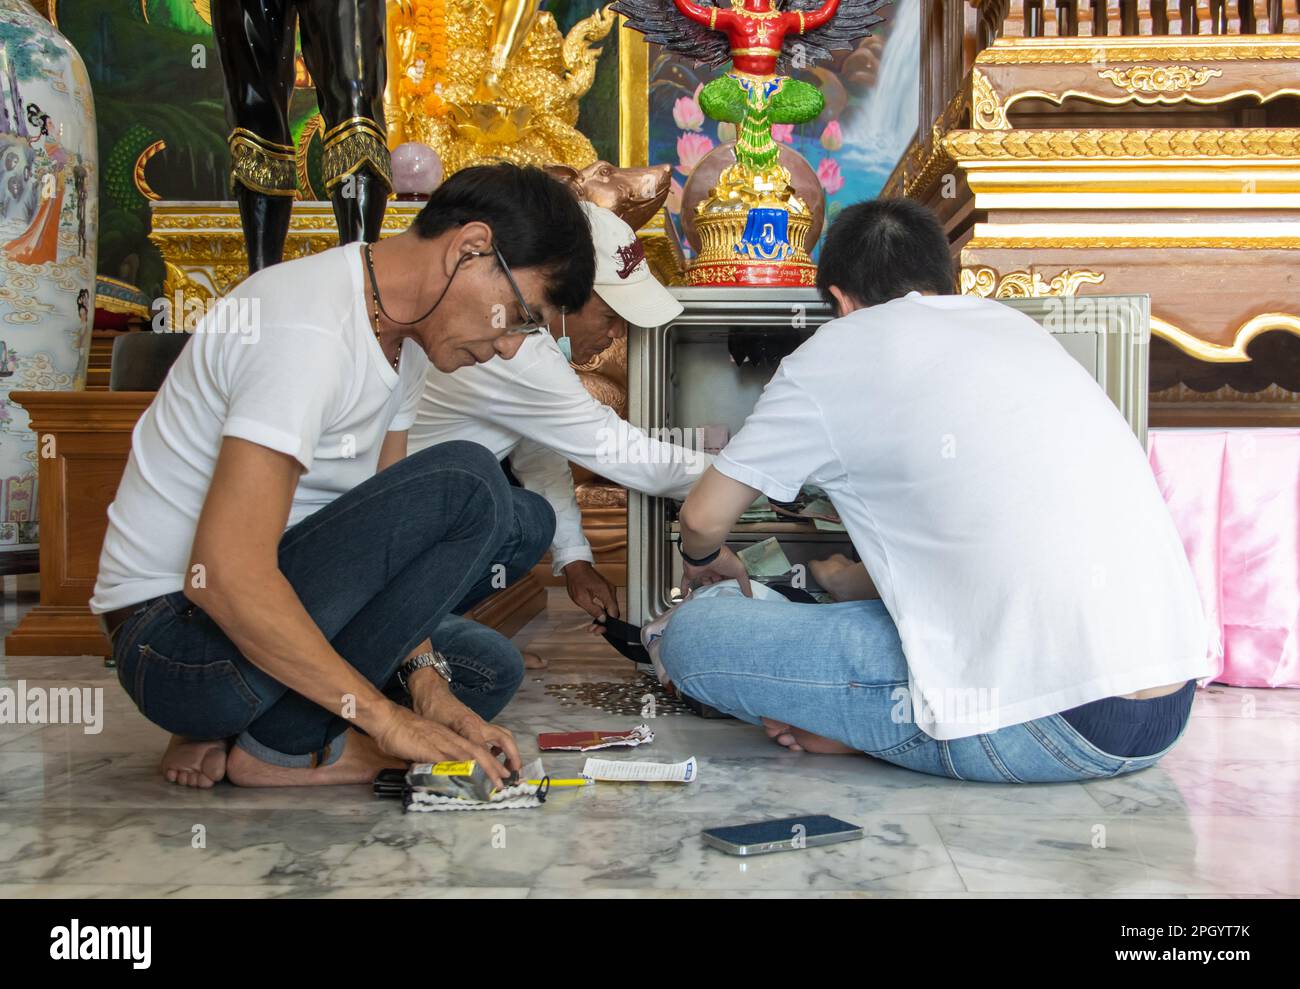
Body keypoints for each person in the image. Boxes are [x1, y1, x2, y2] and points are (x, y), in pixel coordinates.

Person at [659, 197, 1213, 783]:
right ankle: (870, 722)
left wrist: (702, 559)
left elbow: (702, 518)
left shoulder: (839, 347)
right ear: (945, 283)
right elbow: (980, 536)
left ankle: (870, 730)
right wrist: (850, 579)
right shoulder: (1016, 328)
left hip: (1051, 725)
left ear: (840, 301)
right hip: (1166, 710)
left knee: (696, 635)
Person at [90, 163, 594, 789]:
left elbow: (393, 557)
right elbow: (224, 575)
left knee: (484, 670)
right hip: (177, 648)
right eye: (522, 315)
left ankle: (255, 732)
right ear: (471, 249)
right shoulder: (302, 326)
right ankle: (284, 747)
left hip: (257, 622)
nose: (512, 347)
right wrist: (387, 720)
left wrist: (428, 691)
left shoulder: (401, 342)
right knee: (469, 481)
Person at [408, 202, 710, 655]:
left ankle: (421, 631)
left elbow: (538, 456)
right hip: (397, 524)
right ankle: (408, 632)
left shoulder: (522, 340)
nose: (615, 336)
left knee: (526, 515)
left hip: (414, 509)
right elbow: (630, 457)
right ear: (569, 291)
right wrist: (752, 475)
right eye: (611, 318)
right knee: (521, 520)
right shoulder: (521, 351)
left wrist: (575, 561)